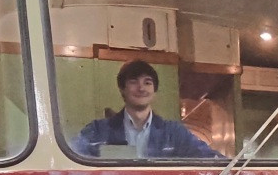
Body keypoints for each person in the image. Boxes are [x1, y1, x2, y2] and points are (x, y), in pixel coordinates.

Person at [70, 60, 222, 159]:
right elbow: (70, 156)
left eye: (147, 82)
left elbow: (207, 156)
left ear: (154, 91)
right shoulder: (98, 131)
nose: (141, 88)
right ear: (122, 89)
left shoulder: (174, 133)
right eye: (133, 82)